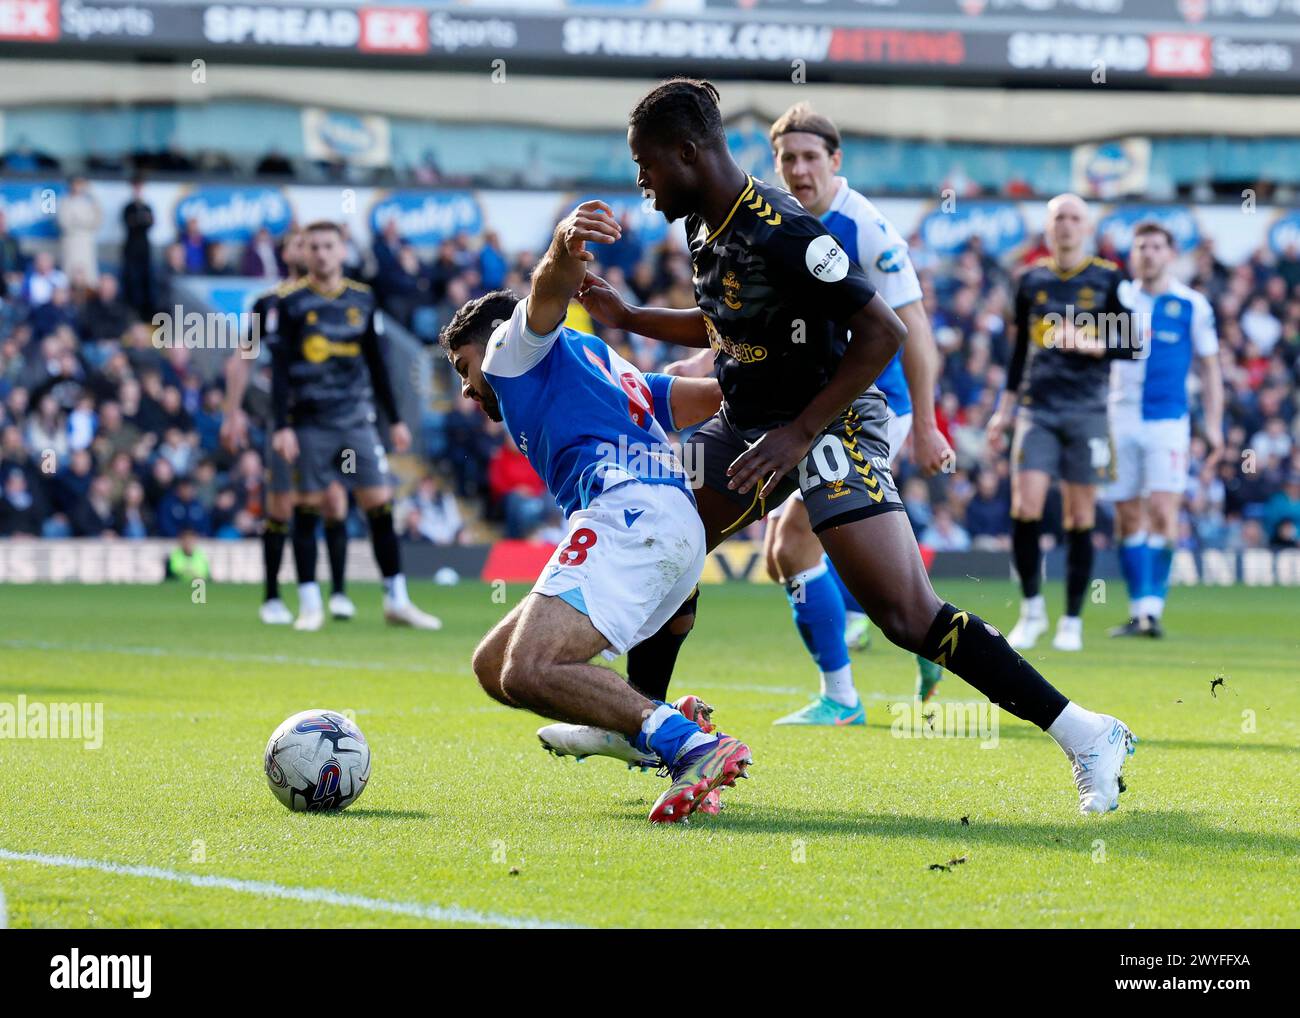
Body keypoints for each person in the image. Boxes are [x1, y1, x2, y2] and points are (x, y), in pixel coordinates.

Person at [578, 78, 1134, 814]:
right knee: (666, 524)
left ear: (687, 152)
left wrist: (800, 433)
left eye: (646, 163)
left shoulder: (786, 231)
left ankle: (1086, 732)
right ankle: (641, 717)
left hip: (829, 424)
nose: (640, 181)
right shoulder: (704, 224)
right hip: (752, 424)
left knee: (907, 616)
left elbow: (886, 332)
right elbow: (728, 324)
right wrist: (630, 316)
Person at [441, 200, 752, 823]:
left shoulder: (512, 350)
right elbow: (698, 398)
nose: (469, 389)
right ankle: (660, 722)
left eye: (463, 368)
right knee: (493, 666)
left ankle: (689, 745)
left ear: (488, 344)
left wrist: (562, 244)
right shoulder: (601, 362)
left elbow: (543, 291)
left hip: (629, 516)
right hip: (670, 525)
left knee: (530, 669)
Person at [986, 193, 1139, 652]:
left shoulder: (1110, 278)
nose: (1067, 226)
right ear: (1048, 229)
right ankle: (1032, 609)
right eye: (1059, 219)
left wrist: (1090, 342)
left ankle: (1071, 618)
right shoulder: (1030, 280)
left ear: (1086, 226)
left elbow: (1133, 341)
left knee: (1080, 514)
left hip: (1089, 408)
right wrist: (1004, 409)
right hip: (1037, 407)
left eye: (1075, 218)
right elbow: (1018, 353)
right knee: (1025, 505)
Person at [270, 220, 440, 632]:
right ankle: (310, 604)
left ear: (342, 250)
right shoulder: (289, 303)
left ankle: (397, 600)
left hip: (356, 419)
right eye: (314, 247)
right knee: (308, 508)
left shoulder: (363, 300)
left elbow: (378, 364)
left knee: (380, 506)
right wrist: (282, 425)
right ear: (303, 253)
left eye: (329, 246)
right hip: (309, 422)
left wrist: (395, 419)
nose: (322, 254)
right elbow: (279, 370)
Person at [222, 229, 354, 626]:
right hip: (286, 420)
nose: (306, 248)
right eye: (299, 242)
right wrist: (232, 412)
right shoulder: (269, 304)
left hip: (331, 418)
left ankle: (340, 593)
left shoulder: (340, 300)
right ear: (288, 252)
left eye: (312, 242)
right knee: (280, 505)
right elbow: (242, 359)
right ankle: (273, 596)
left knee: (334, 501)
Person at [1107, 221, 1223, 638]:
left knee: (1162, 510)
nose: (1149, 253)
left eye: (1157, 246)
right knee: (1125, 514)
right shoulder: (1116, 298)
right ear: (1132, 254)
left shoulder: (1192, 304)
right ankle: (1138, 610)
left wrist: (1214, 424)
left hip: (1168, 422)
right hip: (1119, 418)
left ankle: (1151, 611)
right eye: (1141, 247)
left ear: (1170, 254)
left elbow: (1210, 369)